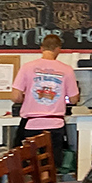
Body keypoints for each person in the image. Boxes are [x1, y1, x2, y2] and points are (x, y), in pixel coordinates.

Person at [12, 34, 79, 167]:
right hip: (55, 124)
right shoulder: (67, 69)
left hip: (31, 124)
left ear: (41, 48)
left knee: (30, 164)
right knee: (50, 164)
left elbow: (15, 97)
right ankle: (47, 180)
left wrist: (28, 98)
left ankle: (35, 181)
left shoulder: (27, 67)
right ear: (58, 49)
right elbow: (73, 99)